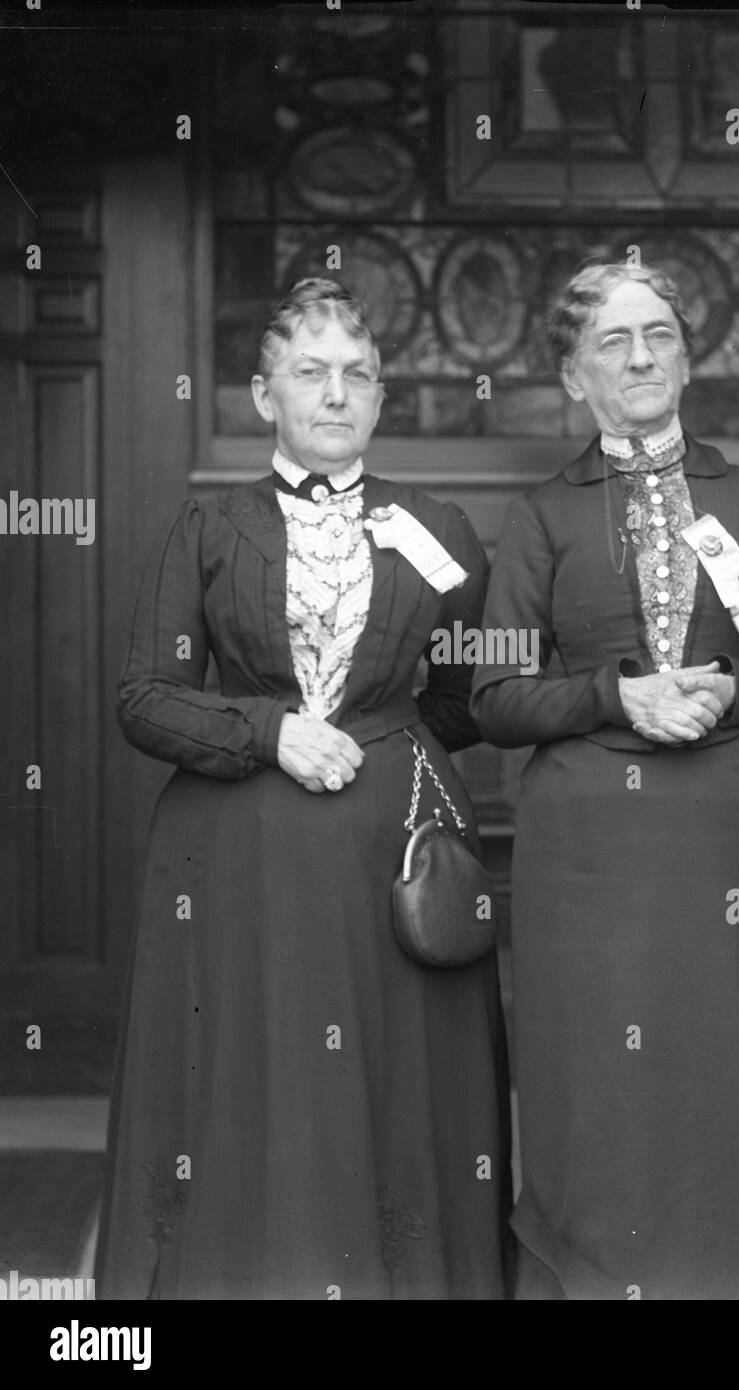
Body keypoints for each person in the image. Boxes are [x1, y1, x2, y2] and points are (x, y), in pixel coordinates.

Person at [470, 261, 739, 1299]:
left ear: (687, 355)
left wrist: (732, 688)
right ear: (575, 375)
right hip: (595, 871)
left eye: (660, 334)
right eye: (615, 341)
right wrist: (620, 699)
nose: (641, 357)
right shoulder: (539, 517)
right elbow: (492, 695)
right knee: (619, 1096)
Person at [95, 278, 511, 1300]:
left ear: (381, 397)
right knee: (252, 1081)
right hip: (235, 854)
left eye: (357, 374)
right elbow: (144, 699)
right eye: (309, 372)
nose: (336, 392)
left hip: (389, 859)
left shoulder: (443, 530)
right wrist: (269, 730)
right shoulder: (205, 527)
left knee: (393, 1090)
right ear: (261, 394)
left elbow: (465, 699)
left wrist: (381, 745)